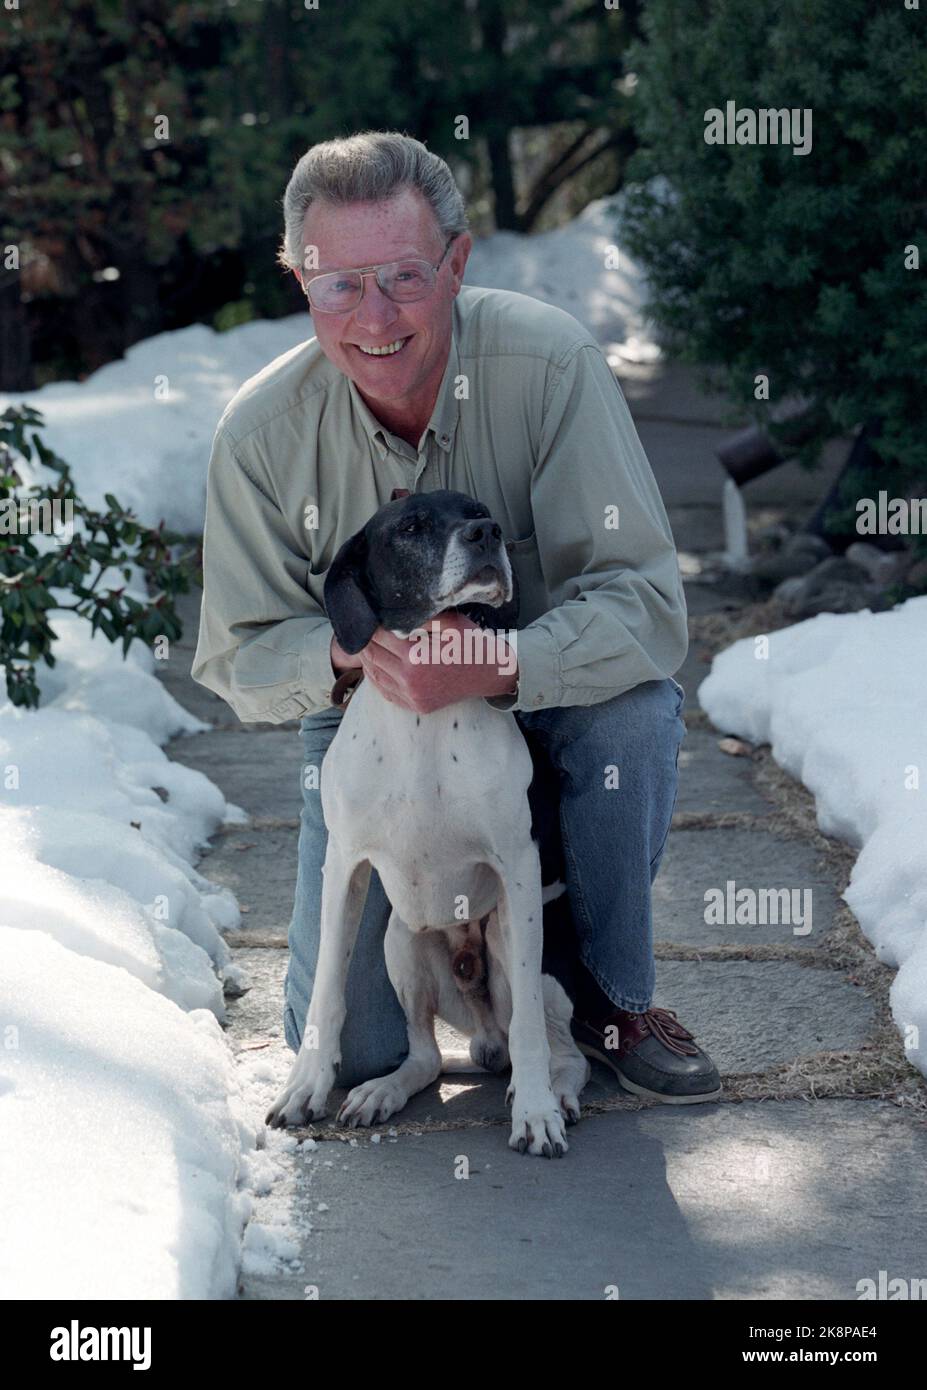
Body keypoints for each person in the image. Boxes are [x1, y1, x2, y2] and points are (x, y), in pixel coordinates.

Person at [191, 130, 721, 1105]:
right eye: (338, 283)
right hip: (369, 713)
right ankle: (475, 979)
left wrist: (501, 663)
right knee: (354, 1062)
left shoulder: (551, 365)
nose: (374, 315)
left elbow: (645, 606)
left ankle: (605, 997)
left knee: (633, 715)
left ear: (458, 262)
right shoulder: (262, 437)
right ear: (298, 279)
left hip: (552, 686)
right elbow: (234, 658)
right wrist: (358, 655)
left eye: (401, 274)